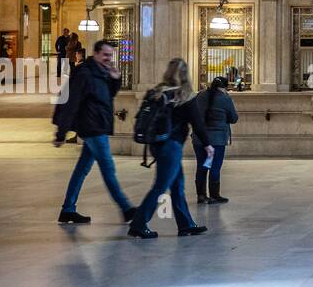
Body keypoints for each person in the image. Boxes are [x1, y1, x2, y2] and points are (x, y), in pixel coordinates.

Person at [126, 58, 214, 238]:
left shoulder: (157, 91)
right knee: (160, 186)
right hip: (171, 146)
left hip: (156, 144)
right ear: (185, 74)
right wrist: (207, 144)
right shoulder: (185, 95)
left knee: (177, 185)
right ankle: (139, 223)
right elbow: (197, 123)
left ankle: (185, 224)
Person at [54, 40, 135, 224]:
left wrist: (116, 80)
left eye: (110, 55)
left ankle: (68, 209)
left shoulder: (101, 72)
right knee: (108, 169)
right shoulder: (84, 73)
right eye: (105, 55)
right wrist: (61, 133)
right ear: (96, 53)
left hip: (98, 126)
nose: (109, 58)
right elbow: (71, 103)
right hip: (92, 128)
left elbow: (107, 96)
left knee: (82, 168)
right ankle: (126, 208)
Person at [193, 75, 239, 204]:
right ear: (224, 87)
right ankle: (214, 195)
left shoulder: (200, 96)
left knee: (202, 166)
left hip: (200, 139)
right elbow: (234, 118)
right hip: (216, 141)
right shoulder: (225, 98)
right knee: (214, 166)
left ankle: (201, 196)